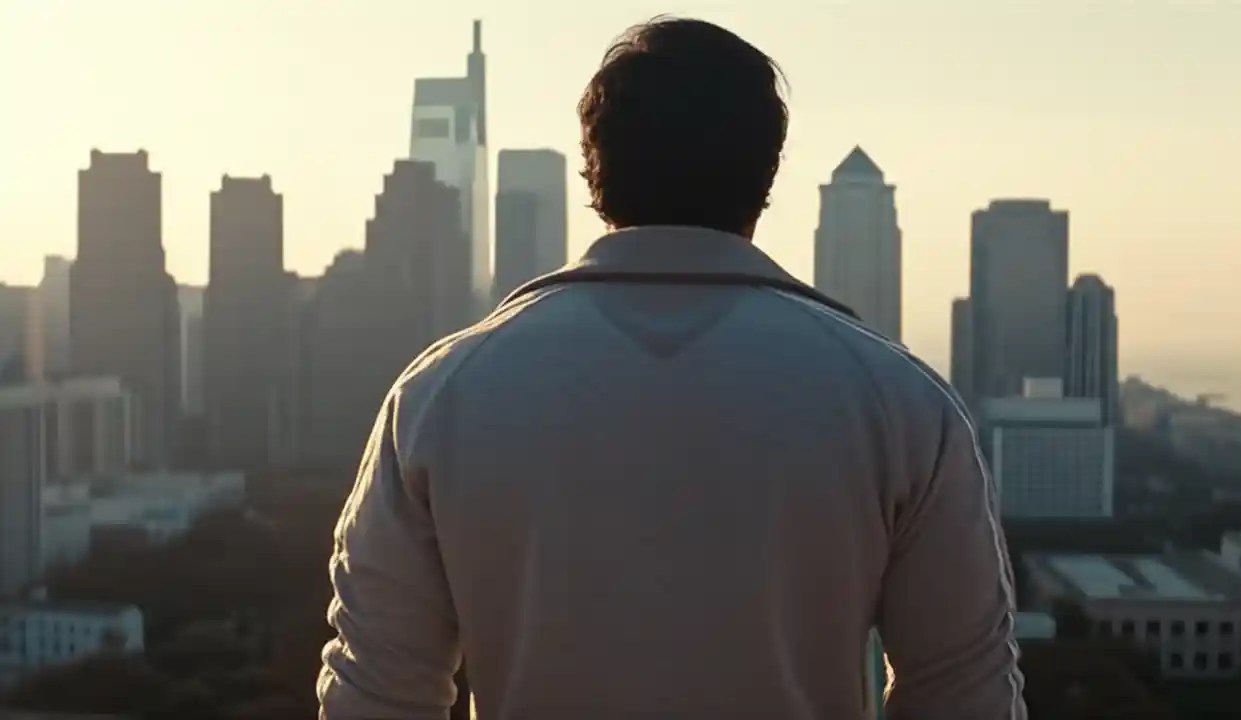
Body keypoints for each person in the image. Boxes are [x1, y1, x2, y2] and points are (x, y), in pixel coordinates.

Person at [317, 17, 1025, 720]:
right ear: (766, 172)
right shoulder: (900, 405)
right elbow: (967, 698)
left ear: (596, 167)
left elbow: (376, 697)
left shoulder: (444, 397)